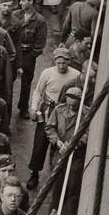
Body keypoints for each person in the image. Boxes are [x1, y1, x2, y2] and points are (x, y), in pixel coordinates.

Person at [27, 47, 82, 187]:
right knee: (40, 143)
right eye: (59, 63)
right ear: (55, 62)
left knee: (61, 142)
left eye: (64, 63)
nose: (61, 66)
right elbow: (38, 92)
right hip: (48, 110)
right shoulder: (47, 73)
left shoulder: (76, 75)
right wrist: (34, 108)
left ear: (69, 61)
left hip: (64, 111)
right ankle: (34, 173)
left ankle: (55, 173)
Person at [45, 83, 85, 215]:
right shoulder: (58, 110)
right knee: (57, 184)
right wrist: (57, 141)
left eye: (74, 99)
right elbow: (50, 127)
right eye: (68, 98)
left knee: (73, 186)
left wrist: (75, 143)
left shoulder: (87, 113)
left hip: (77, 156)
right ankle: (53, 214)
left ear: (80, 100)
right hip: (60, 153)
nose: (70, 103)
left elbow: (89, 132)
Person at [13, 0, 47, 118]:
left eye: (23, 0)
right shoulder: (15, 15)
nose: (20, 3)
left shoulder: (39, 20)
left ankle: (23, 108)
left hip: (28, 54)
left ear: (31, 2)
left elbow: (40, 42)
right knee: (8, 79)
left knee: (26, 82)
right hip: (14, 52)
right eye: (20, 0)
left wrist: (32, 55)